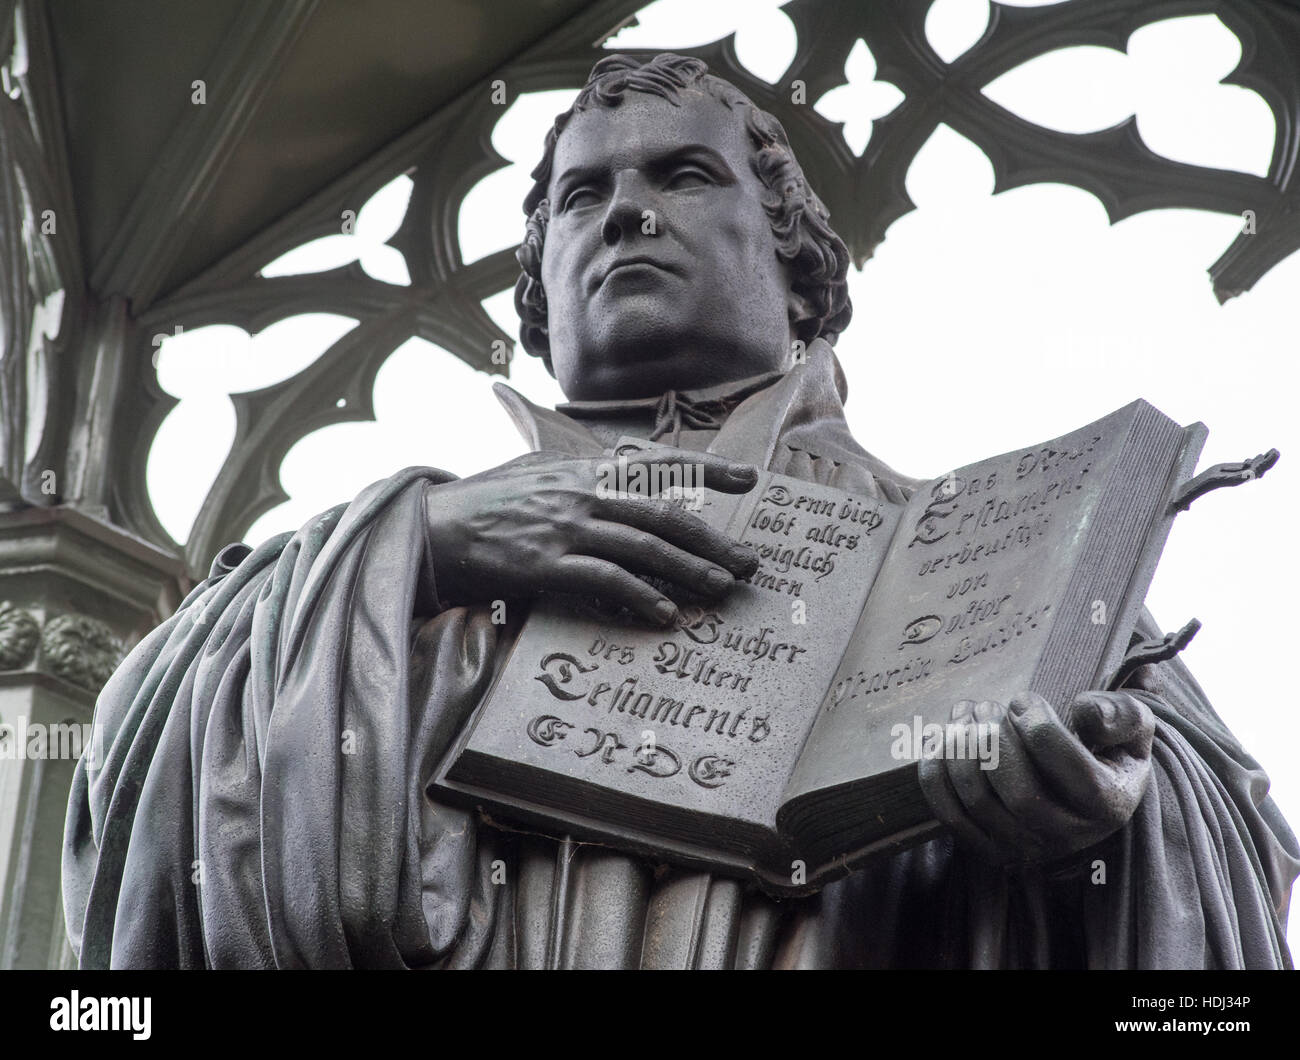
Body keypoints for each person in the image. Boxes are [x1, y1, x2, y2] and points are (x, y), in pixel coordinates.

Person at [63, 53, 1298, 969]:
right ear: (538, 286)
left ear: (802, 271)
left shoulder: (1002, 565)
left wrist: (1093, 837)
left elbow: (1228, 875)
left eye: (684, 175)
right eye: (582, 195)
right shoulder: (376, 567)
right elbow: (135, 783)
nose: (627, 213)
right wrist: (418, 549)